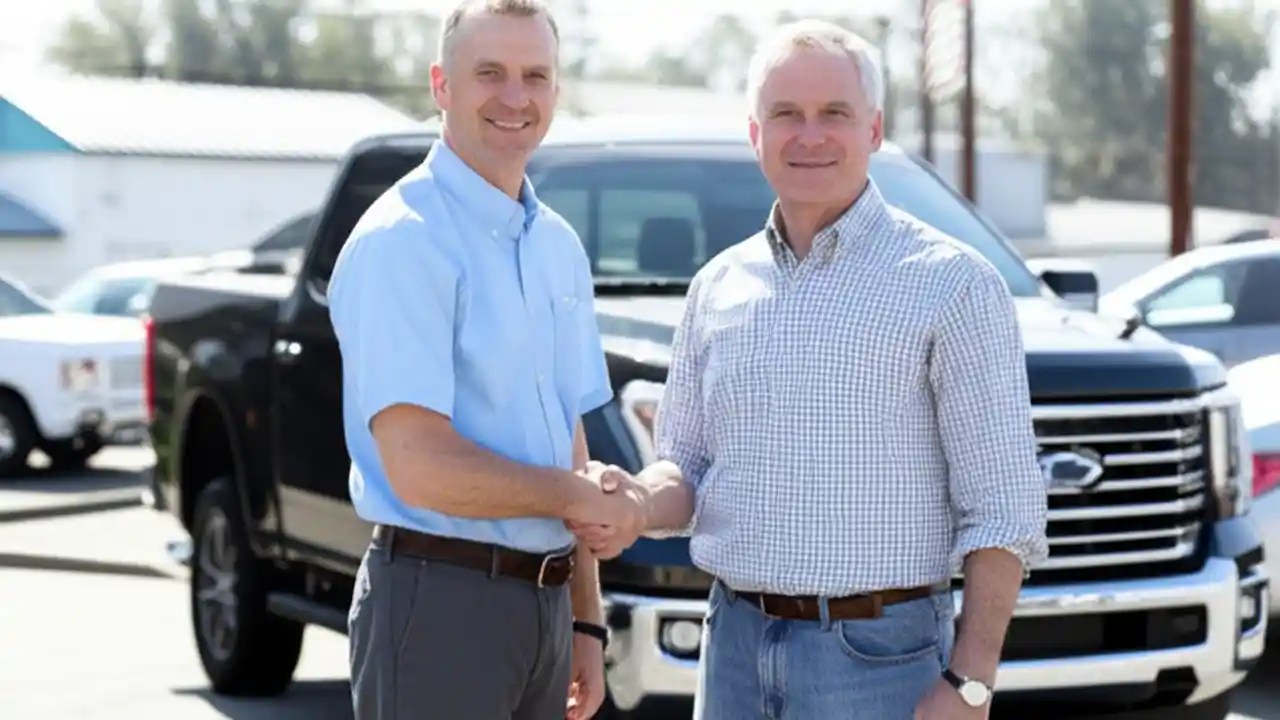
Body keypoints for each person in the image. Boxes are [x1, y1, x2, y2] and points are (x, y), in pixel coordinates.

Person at [581, 18, 1049, 720]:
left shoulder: (952, 283)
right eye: (785, 115)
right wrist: (635, 504)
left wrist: (972, 679)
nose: (810, 136)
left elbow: (1004, 507)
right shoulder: (716, 287)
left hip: (879, 662)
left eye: (834, 113)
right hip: (733, 644)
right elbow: (687, 468)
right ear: (754, 133)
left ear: (874, 130)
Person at [325, 1, 646, 718]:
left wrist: (586, 619)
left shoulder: (556, 245)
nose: (515, 96)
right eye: (489, 73)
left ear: (556, 92)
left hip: (546, 614)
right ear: (441, 84)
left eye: (536, 75)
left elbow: (569, 441)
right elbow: (420, 464)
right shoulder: (404, 241)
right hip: (440, 606)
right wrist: (572, 499)